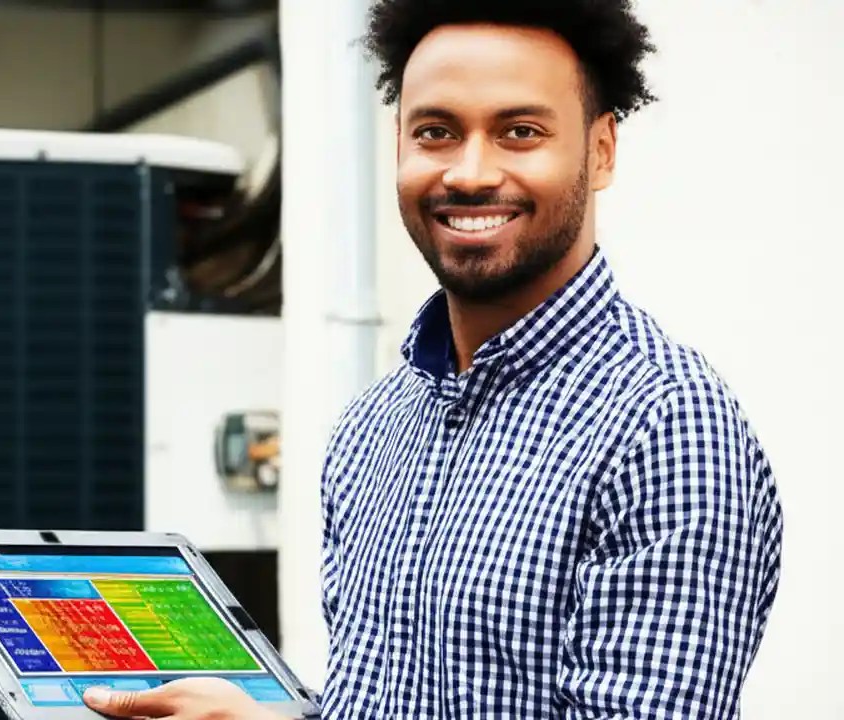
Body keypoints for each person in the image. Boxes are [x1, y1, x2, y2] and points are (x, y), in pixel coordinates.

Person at [83, 0, 784, 717]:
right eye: (436, 132)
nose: (470, 172)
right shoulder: (373, 428)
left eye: (520, 132)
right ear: (399, 145)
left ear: (601, 150)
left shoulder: (667, 429)